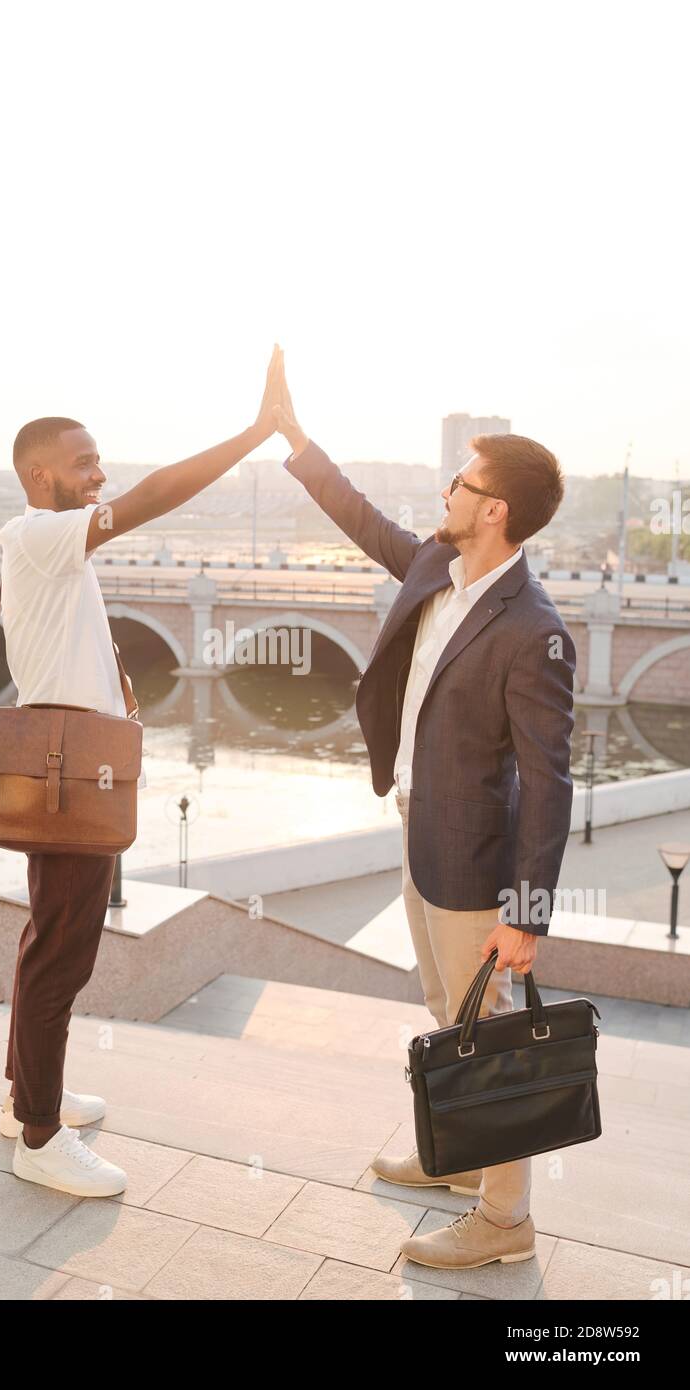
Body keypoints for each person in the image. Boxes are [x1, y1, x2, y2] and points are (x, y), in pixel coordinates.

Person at [272, 358, 576, 1270]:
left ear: (496, 511)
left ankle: (505, 1224)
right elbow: (362, 517)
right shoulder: (436, 565)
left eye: (462, 481)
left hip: (479, 864)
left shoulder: (533, 627)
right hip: (420, 831)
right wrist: (296, 440)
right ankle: (455, 1165)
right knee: (448, 1010)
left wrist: (525, 916)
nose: (444, 491)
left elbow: (551, 781)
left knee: (489, 1033)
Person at [0, 345, 285, 1197]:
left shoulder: (47, 545)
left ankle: (26, 1099)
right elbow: (154, 495)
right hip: (70, 780)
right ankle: (42, 1141)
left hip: (79, 770)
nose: (99, 476)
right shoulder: (44, 534)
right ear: (40, 474)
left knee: (47, 942)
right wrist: (251, 434)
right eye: (84, 464)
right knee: (61, 955)